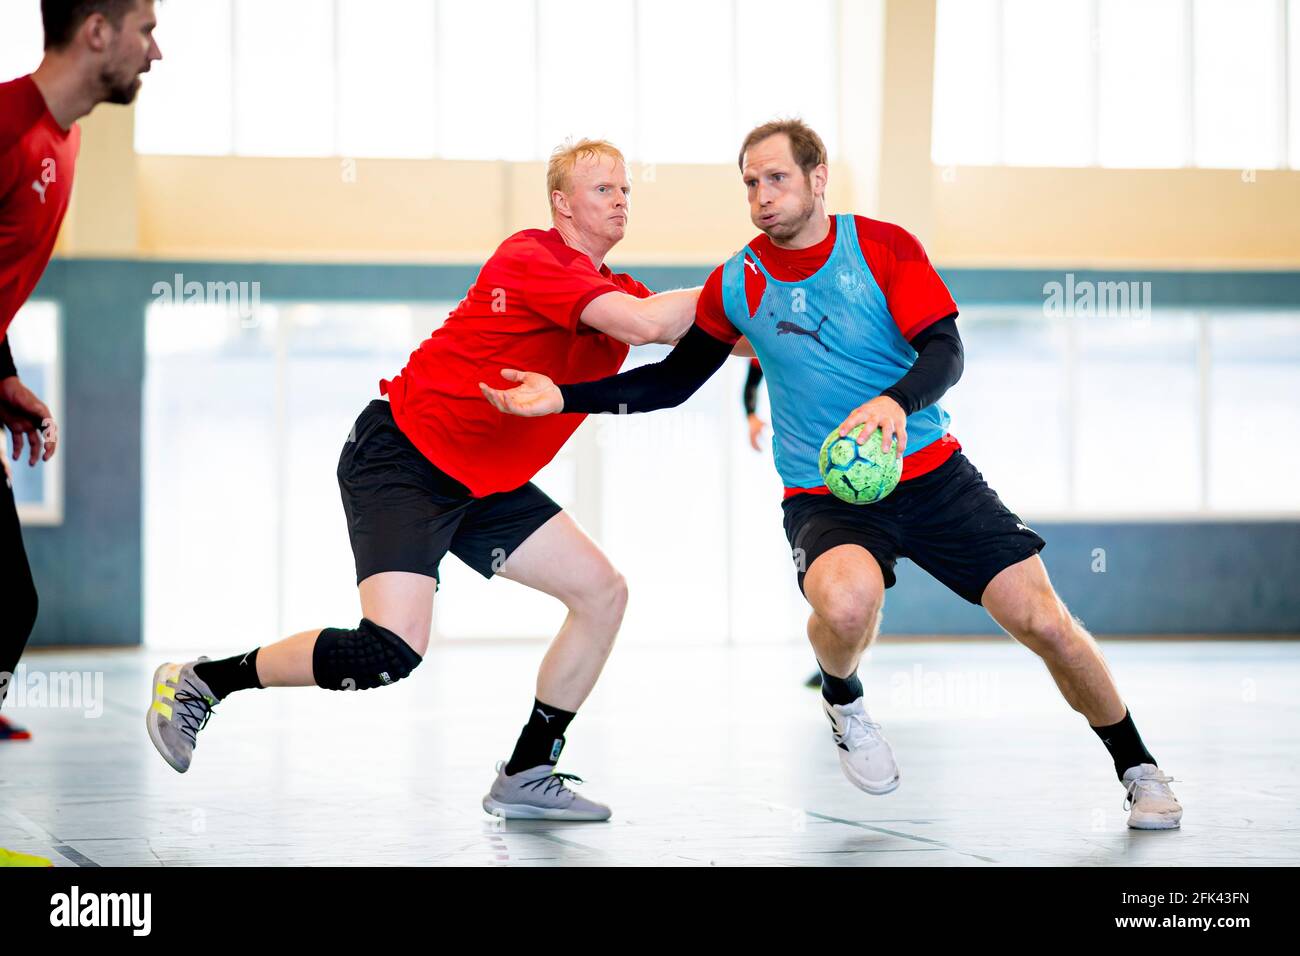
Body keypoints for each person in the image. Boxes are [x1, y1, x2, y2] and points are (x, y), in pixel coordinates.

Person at [480, 119, 1183, 830]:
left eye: (776, 177)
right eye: (750, 182)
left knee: (1045, 622)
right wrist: (565, 397)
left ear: (818, 179)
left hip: (933, 475)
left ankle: (1139, 767)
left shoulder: (882, 247)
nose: (761, 194)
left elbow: (946, 352)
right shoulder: (740, 280)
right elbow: (671, 381)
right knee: (846, 606)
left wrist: (893, 402)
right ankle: (844, 696)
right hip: (826, 496)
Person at [146, 139, 702, 822]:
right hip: (403, 458)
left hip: (482, 484)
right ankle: (205, 681)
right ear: (562, 204)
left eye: (625, 191)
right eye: (603, 191)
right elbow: (654, 324)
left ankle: (528, 769)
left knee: (602, 594)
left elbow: (700, 327)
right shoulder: (532, 258)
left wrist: (782, 309)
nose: (620, 201)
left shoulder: (620, 291)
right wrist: (753, 282)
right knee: (388, 651)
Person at [0, 0, 161, 867]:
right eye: (145, 28)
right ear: (96, 31)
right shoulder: (6, 124)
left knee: (9, 606)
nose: (156, 50)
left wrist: (2, 377)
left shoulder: (68, 144)